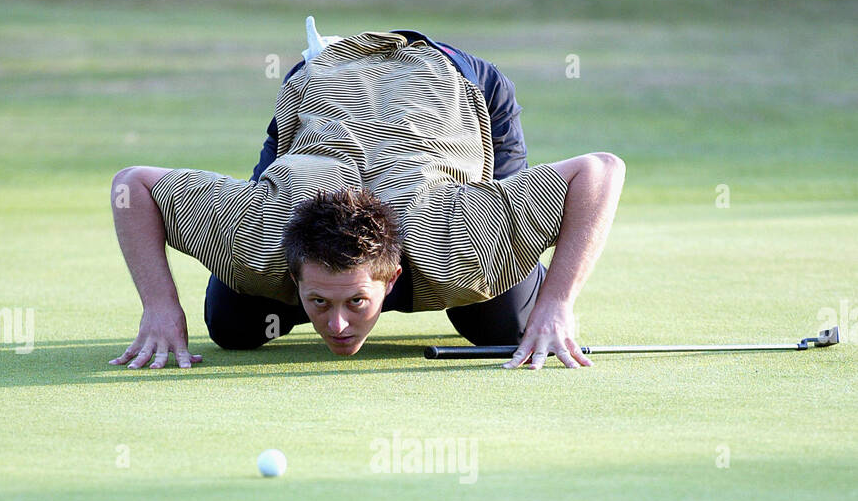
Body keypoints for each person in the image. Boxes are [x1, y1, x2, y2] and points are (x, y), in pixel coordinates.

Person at [109, 27, 625, 371]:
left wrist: (558, 305)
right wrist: (158, 308)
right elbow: (133, 185)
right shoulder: (257, 233)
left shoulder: (462, 242)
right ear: (292, 273)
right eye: (319, 301)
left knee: (507, 328)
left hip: (452, 84)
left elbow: (600, 171)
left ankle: (382, 59)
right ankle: (343, 54)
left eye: (355, 301)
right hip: (327, 85)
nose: (335, 326)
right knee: (233, 326)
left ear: (392, 276)